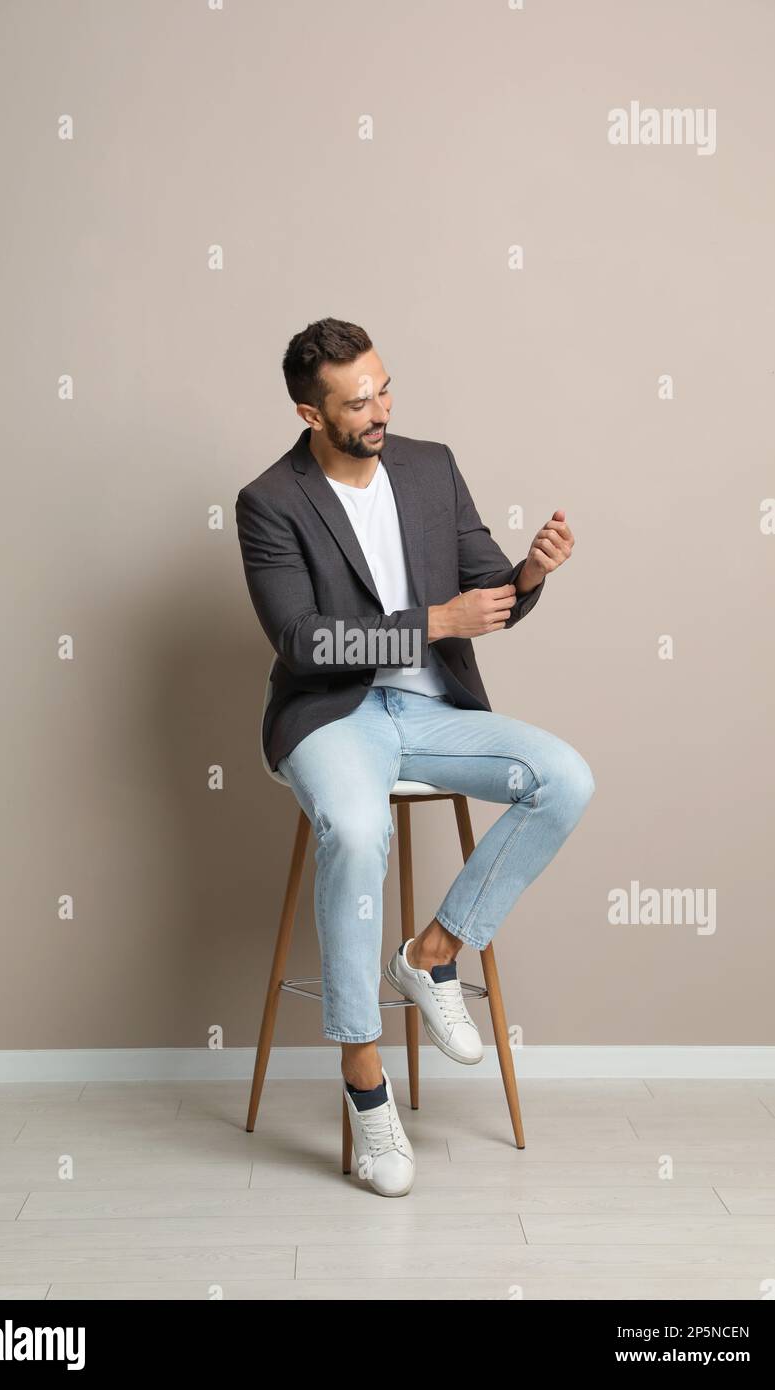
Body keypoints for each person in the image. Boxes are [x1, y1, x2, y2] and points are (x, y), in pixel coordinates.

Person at [235, 318, 595, 1196]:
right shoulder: (269, 500)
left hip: (433, 706)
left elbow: (488, 593)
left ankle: (433, 951)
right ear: (308, 412)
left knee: (565, 778)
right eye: (358, 402)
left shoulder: (430, 467)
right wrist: (435, 621)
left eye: (385, 387)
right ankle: (367, 1095)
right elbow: (303, 639)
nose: (380, 410)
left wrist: (532, 574)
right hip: (333, 715)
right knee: (356, 834)